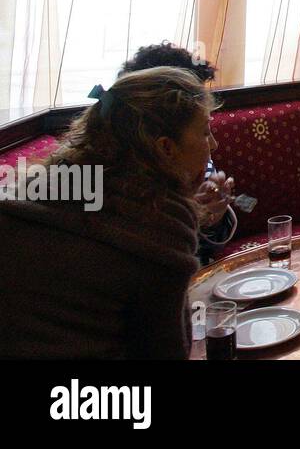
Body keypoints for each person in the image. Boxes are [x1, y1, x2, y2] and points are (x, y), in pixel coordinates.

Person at [0, 67, 217, 358]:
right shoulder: (158, 224)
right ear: (166, 148)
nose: (213, 144)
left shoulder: (41, 185)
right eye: (205, 132)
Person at [120, 42, 236, 264]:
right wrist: (187, 215)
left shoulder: (195, 159)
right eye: (203, 129)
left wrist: (211, 218)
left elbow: (207, 246)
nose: (213, 144)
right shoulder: (109, 184)